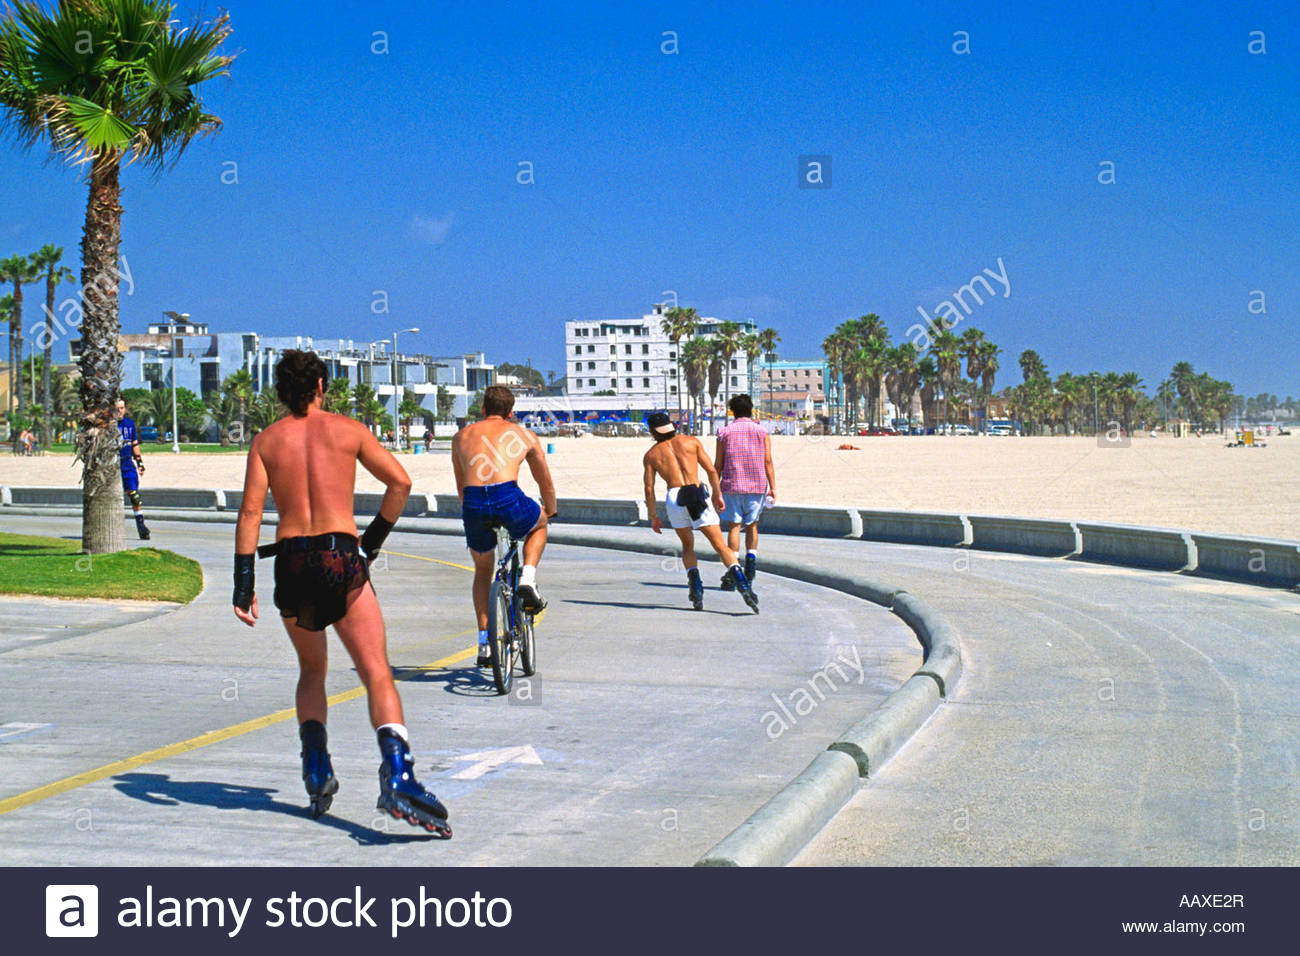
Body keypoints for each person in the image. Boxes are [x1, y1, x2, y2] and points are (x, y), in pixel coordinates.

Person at [231, 350, 450, 835]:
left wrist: (242, 583)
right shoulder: (348, 430)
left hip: (290, 562)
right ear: (322, 384)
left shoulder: (266, 441)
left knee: (312, 670)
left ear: (280, 389)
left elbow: (249, 514)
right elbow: (401, 481)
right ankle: (398, 775)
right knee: (375, 672)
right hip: (339, 555)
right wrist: (369, 544)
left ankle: (316, 769)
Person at [452, 385, 557, 667]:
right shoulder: (523, 435)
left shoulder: (461, 436)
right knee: (539, 525)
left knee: (483, 570)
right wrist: (551, 509)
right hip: (507, 495)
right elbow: (543, 479)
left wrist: (473, 512)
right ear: (511, 412)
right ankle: (527, 578)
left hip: (473, 502)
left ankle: (485, 643)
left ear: (483, 408)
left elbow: (461, 486)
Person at [643, 412, 758, 613]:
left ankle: (695, 586)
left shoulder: (651, 455)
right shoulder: (691, 442)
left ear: (652, 431)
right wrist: (717, 495)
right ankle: (742, 583)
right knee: (720, 545)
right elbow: (712, 471)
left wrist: (653, 516)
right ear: (671, 426)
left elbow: (649, 489)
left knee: (687, 545)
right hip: (696, 492)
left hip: (674, 496)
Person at [714, 394, 775, 591]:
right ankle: (752, 560)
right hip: (756, 485)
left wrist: (716, 490)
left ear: (733, 411)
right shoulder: (761, 431)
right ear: (750, 409)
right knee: (752, 525)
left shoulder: (724, 432)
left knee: (734, 526)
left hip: (731, 485)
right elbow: (767, 461)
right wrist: (773, 486)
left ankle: (735, 568)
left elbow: (718, 464)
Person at [115, 399, 150, 540]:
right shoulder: (108, 425)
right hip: (113, 464)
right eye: (117, 408)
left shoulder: (129, 424)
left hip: (127, 463)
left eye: (122, 408)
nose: (120, 411)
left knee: (134, 495)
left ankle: (141, 526)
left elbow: (134, 444)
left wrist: (140, 463)